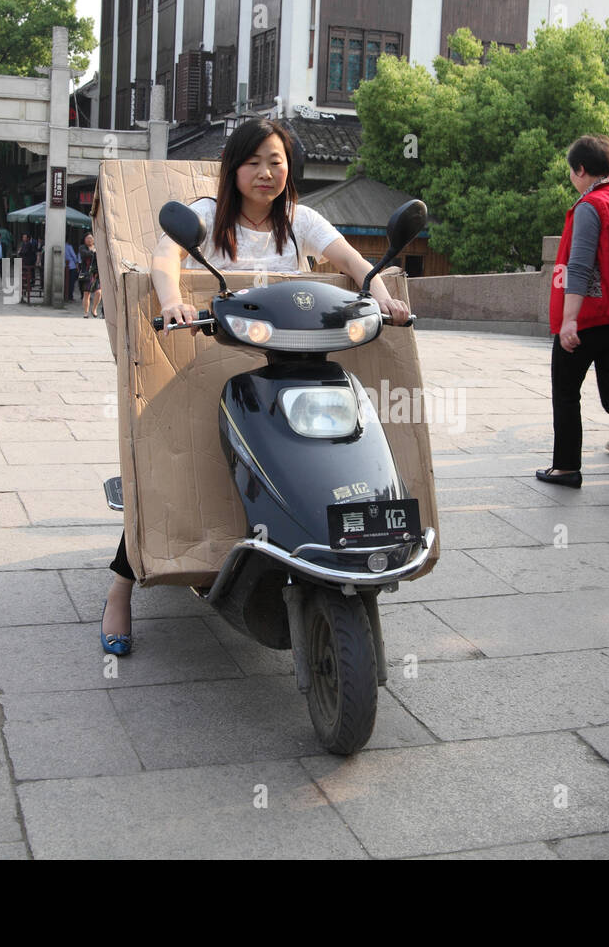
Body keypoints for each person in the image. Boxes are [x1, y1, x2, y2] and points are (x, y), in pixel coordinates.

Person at [99, 117, 412, 656]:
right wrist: (172, 300)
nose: (266, 173)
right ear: (233, 168)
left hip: (293, 369)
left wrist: (380, 292)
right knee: (173, 469)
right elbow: (164, 257)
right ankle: (120, 590)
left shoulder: (301, 219)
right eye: (254, 162)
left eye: (277, 161)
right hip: (209, 359)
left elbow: (354, 263)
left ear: (290, 168)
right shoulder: (204, 217)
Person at [536, 135, 609, 487]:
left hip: (588, 318)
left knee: (566, 390)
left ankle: (566, 466)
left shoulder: (591, 205)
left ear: (582, 170)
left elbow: (580, 264)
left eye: (572, 172)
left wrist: (570, 320)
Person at [79, 233, 99, 317]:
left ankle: (94, 309)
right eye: (87, 238)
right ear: (84, 239)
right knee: (86, 293)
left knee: (99, 292)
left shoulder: (98, 247)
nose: (89, 239)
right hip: (87, 273)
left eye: (91, 238)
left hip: (96, 273)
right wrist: (93, 251)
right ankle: (86, 312)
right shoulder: (82, 248)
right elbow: (84, 255)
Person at [63, 238, 78, 302]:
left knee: (65, 282)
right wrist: (77, 262)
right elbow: (74, 256)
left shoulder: (61, 246)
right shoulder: (69, 247)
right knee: (71, 282)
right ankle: (70, 296)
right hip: (71, 266)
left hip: (64, 266)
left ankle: (65, 294)